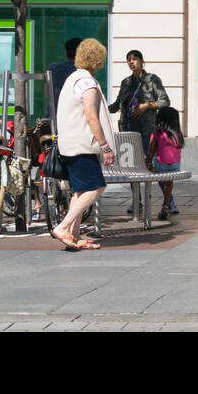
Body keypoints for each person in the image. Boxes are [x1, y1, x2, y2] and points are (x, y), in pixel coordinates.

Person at [51, 38, 116, 250]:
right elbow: (91, 117)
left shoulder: (73, 79)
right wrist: (105, 145)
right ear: (96, 59)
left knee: (79, 192)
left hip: (70, 145)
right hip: (83, 146)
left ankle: (74, 236)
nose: (103, 63)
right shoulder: (87, 83)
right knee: (97, 187)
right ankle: (63, 227)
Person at [109, 50, 174, 213]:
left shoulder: (152, 80)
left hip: (148, 130)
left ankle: (169, 202)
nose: (132, 62)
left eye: (135, 59)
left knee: (155, 166)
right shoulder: (126, 83)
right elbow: (117, 104)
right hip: (129, 131)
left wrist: (146, 106)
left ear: (142, 61)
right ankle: (137, 201)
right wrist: (101, 106)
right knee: (131, 167)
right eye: (129, 60)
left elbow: (165, 100)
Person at [146, 106, 184, 221]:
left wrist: (147, 162)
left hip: (160, 165)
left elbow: (151, 153)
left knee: (156, 167)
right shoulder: (178, 135)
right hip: (175, 166)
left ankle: (153, 201)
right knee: (169, 180)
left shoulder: (156, 133)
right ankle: (165, 206)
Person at [46, 37, 82, 124]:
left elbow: (48, 93)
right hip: (73, 120)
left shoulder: (53, 68)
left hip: (52, 116)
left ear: (66, 53)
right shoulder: (82, 71)